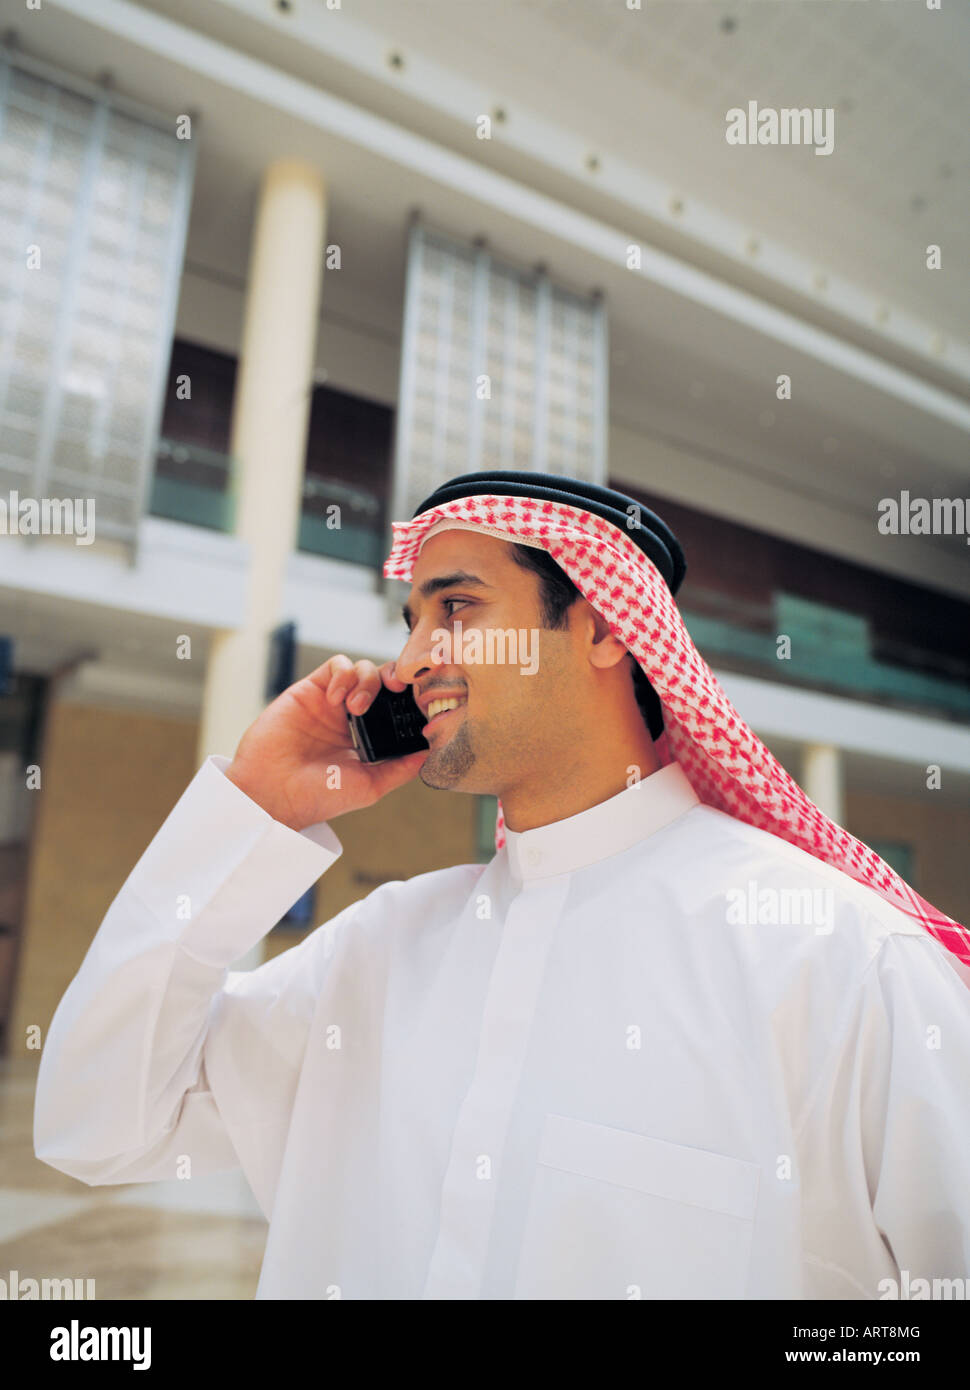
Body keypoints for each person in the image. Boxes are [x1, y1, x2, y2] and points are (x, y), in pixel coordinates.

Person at [34, 471, 970, 1301]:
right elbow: (96, 1124)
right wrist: (255, 813)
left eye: (457, 609)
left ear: (606, 623)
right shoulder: (381, 947)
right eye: (410, 622)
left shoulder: (839, 958)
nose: (408, 664)